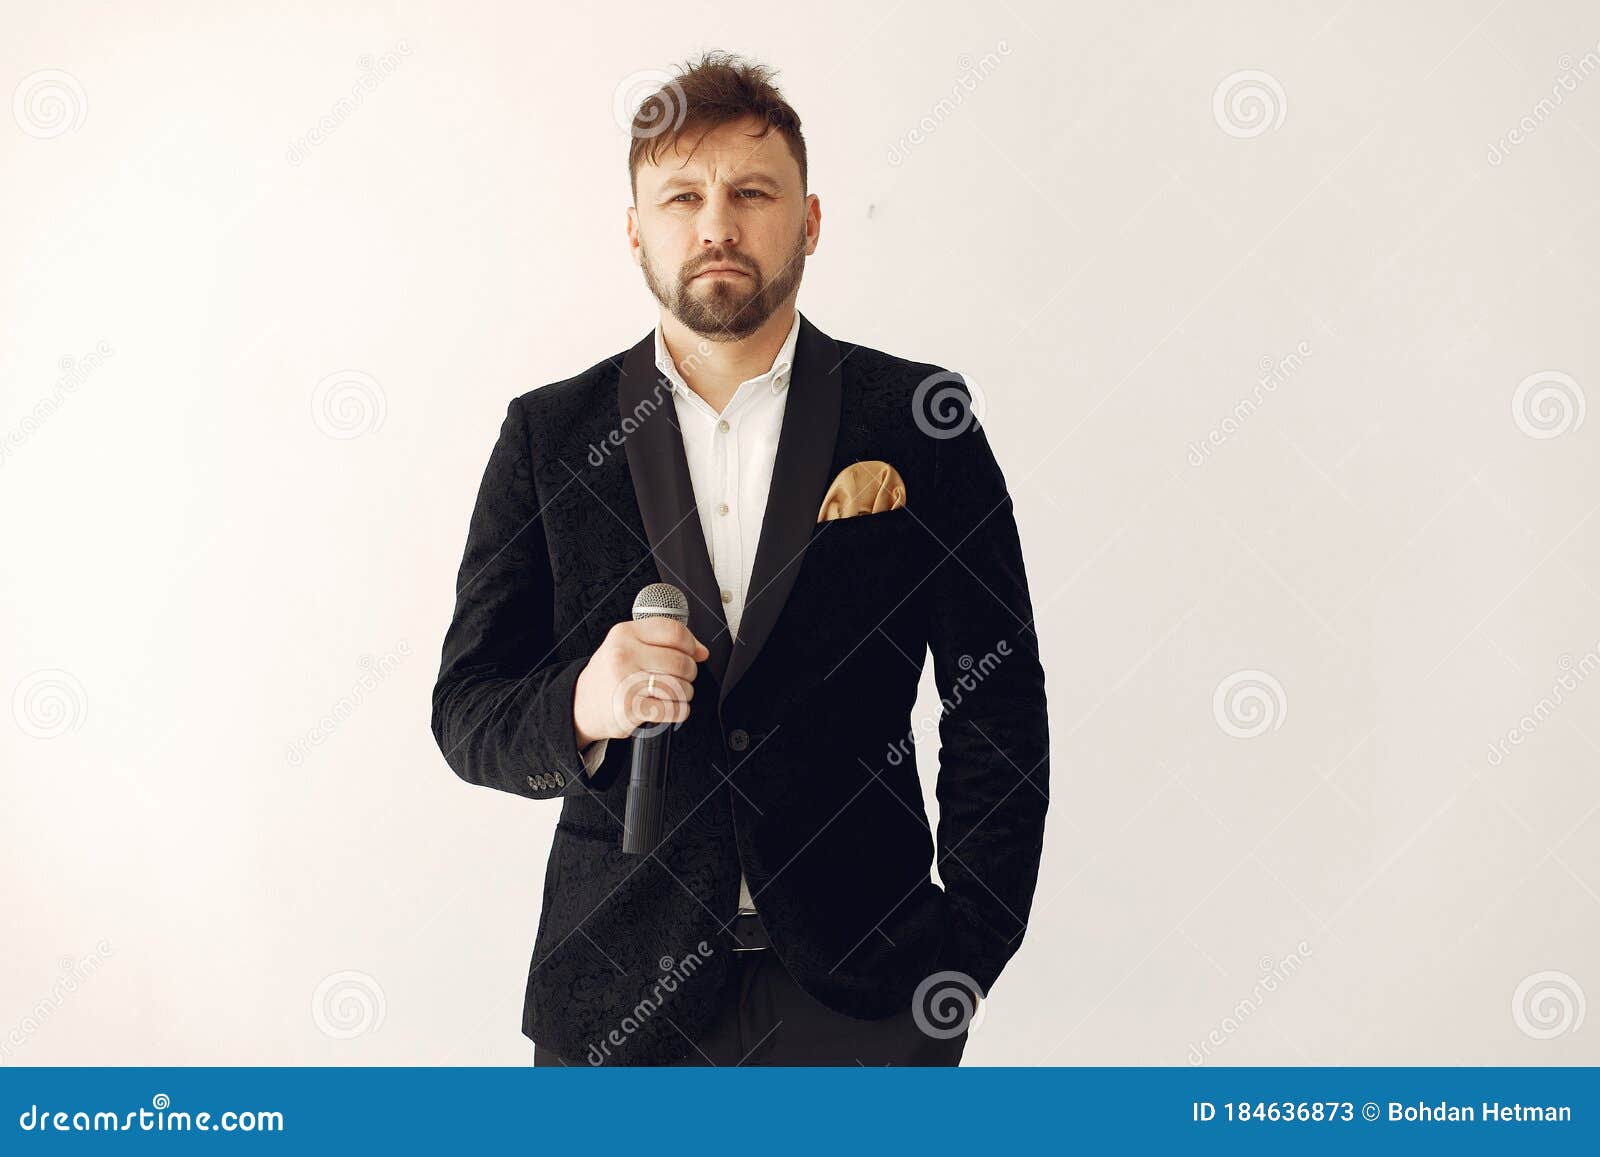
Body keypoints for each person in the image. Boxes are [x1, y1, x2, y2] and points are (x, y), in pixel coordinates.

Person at [430, 50, 1050, 1066]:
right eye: (682, 196)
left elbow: (998, 702)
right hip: (616, 1001)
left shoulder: (920, 418)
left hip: (867, 993)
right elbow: (466, 709)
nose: (716, 223)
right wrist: (582, 703)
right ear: (636, 232)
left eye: (751, 192)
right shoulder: (548, 434)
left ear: (807, 220)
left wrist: (967, 945)